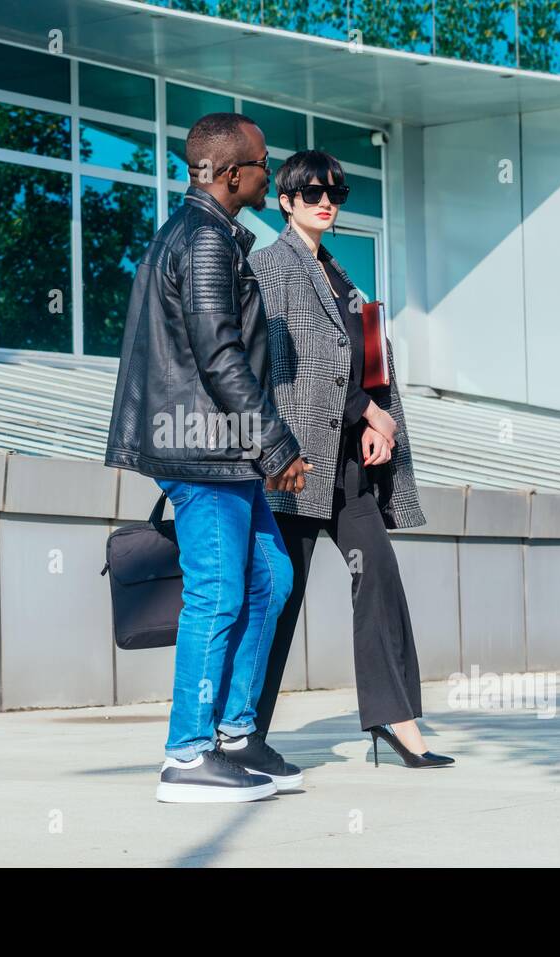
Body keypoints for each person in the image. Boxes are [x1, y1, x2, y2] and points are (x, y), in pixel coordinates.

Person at [105, 113, 314, 802]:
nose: (268, 169)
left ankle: (233, 734)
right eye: (261, 163)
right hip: (201, 449)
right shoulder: (200, 242)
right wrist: (276, 444)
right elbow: (219, 355)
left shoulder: (210, 234)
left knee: (270, 577)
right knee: (220, 591)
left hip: (222, 449)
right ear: (231, 176)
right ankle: (188, 754)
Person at [248, 149, 455, 769]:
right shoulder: (268, 269)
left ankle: (396, 719)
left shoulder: (343, 276)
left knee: (381, 579)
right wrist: (365, 411)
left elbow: (364, 357)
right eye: (311, 192)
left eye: (334, 191)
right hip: (294, 462)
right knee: (279, 596)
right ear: (285, 201)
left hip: (347, 468)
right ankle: (244, 733)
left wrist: (378, 424)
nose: (325, 201)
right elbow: (285, 372)